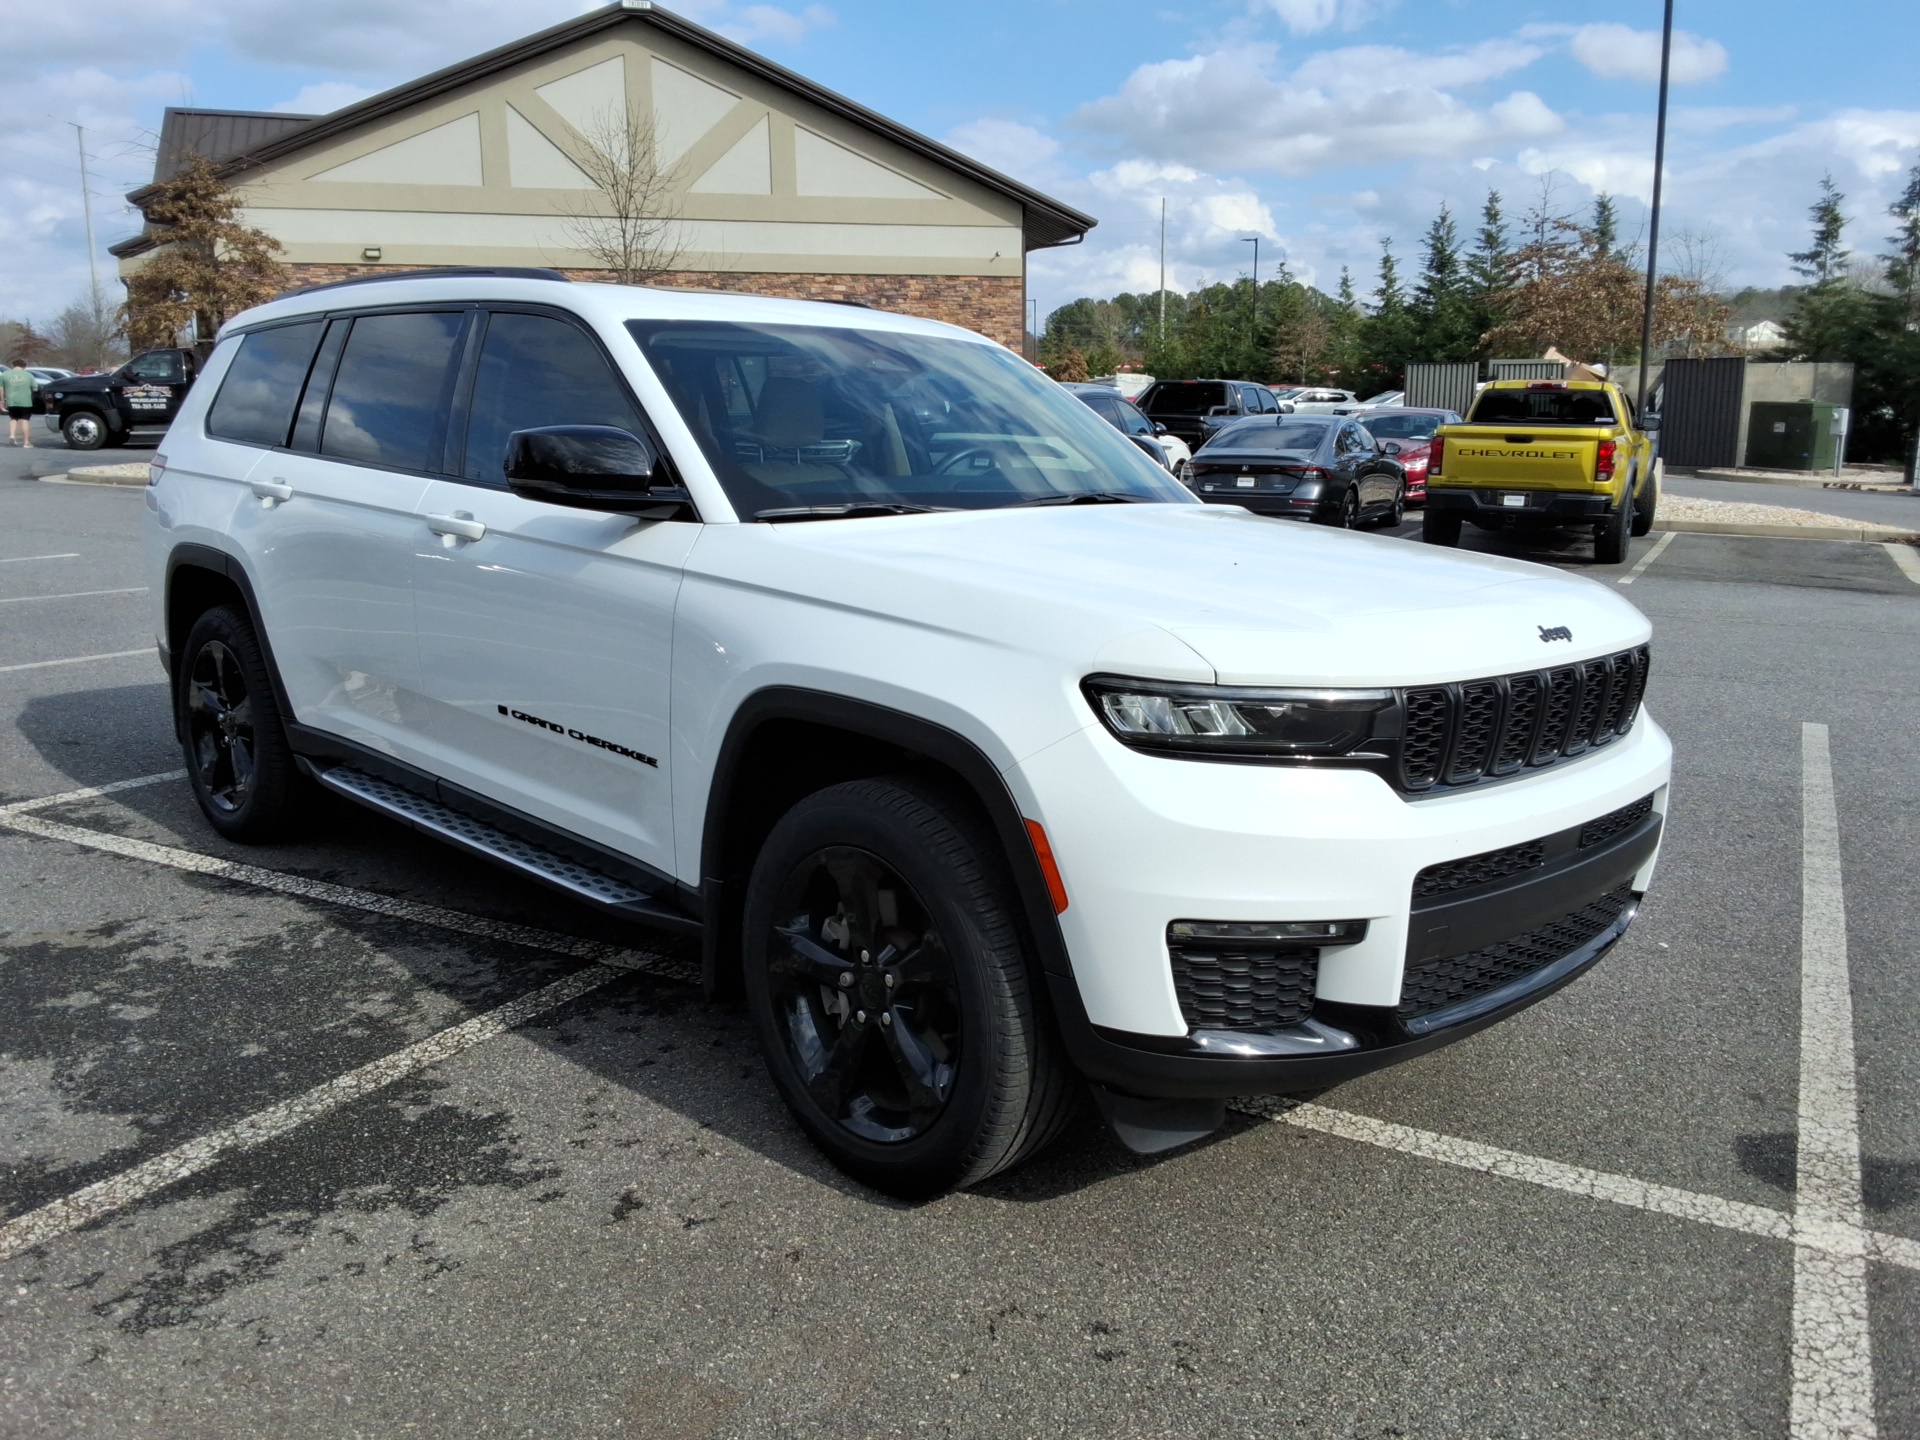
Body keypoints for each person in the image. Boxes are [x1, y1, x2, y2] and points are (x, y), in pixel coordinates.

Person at [3, 358, 35, 447]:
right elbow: (35, 387)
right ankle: (26, 442)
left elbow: (1, 388)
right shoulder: (29, 375)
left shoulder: (4, 374)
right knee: (25, 420)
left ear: (13, 365)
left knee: (13, 418)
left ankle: (12, 435)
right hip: (25, 401)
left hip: (11, 400)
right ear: (24, 366)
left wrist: (2, 400)